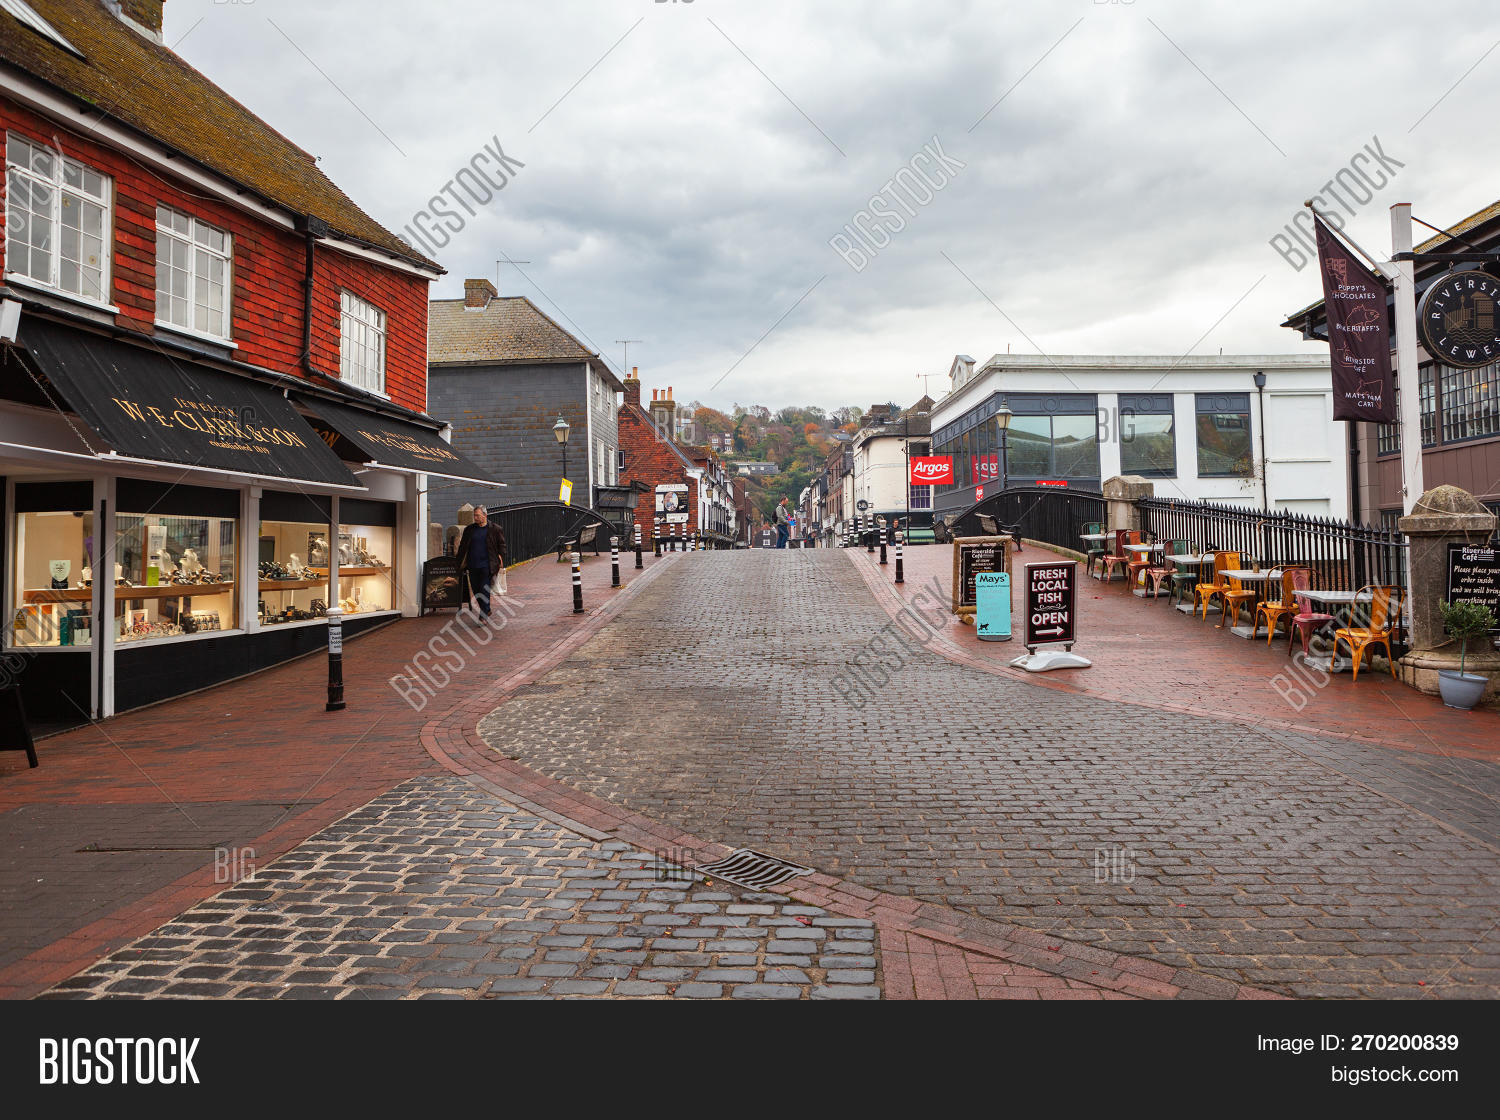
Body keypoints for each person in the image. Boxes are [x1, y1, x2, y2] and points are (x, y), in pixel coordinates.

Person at [456, 506, 506, 617]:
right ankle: (486, 609)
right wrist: (459, 561)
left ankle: (483, 615)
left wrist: (501, 558)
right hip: (472, 565)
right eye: (474, 515)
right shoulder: (469, 530)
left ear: (485, 515)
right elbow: (462, 546)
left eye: (477, 515)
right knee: (476, 590)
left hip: (487, 565)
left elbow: (502, 545)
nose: (475, 518)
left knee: (484, 589)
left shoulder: (495, 529)